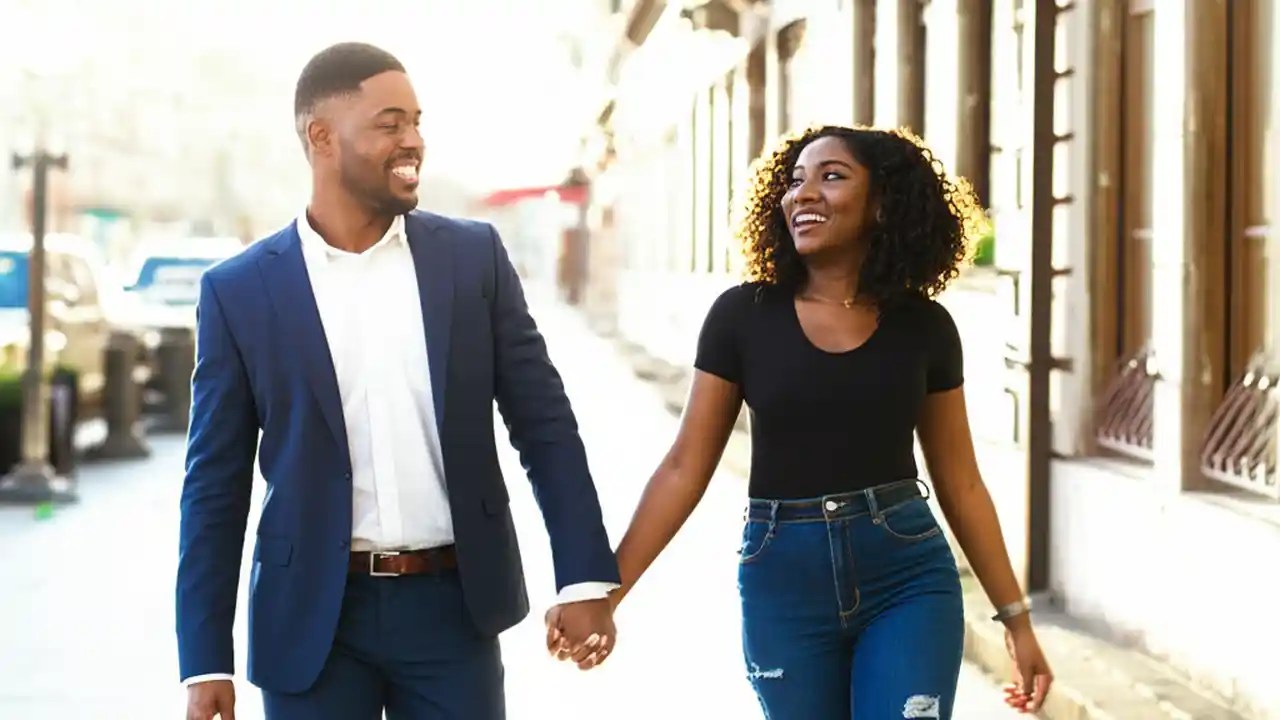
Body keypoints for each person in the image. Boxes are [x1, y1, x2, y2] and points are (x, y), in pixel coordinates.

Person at [546, 125, 1054, 718]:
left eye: (832, 176)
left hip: (906, 578)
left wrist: (1017, 623)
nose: (803, 193)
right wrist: (607, 593)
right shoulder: (743, 317)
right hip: (784, 582)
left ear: (883, 202)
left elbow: (961, 483)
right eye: (794, 181)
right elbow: (685, 467)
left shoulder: (926, 327)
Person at [177, 42, 619, 720]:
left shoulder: (472, 261)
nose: (412, 140)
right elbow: (215, 483)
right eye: (389, 123)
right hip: (311, 622)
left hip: (453, 609)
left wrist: (585, 574)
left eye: (416, 121)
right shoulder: (238, 292)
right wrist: (205, 658)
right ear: (321, 136)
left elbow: (545, 424)